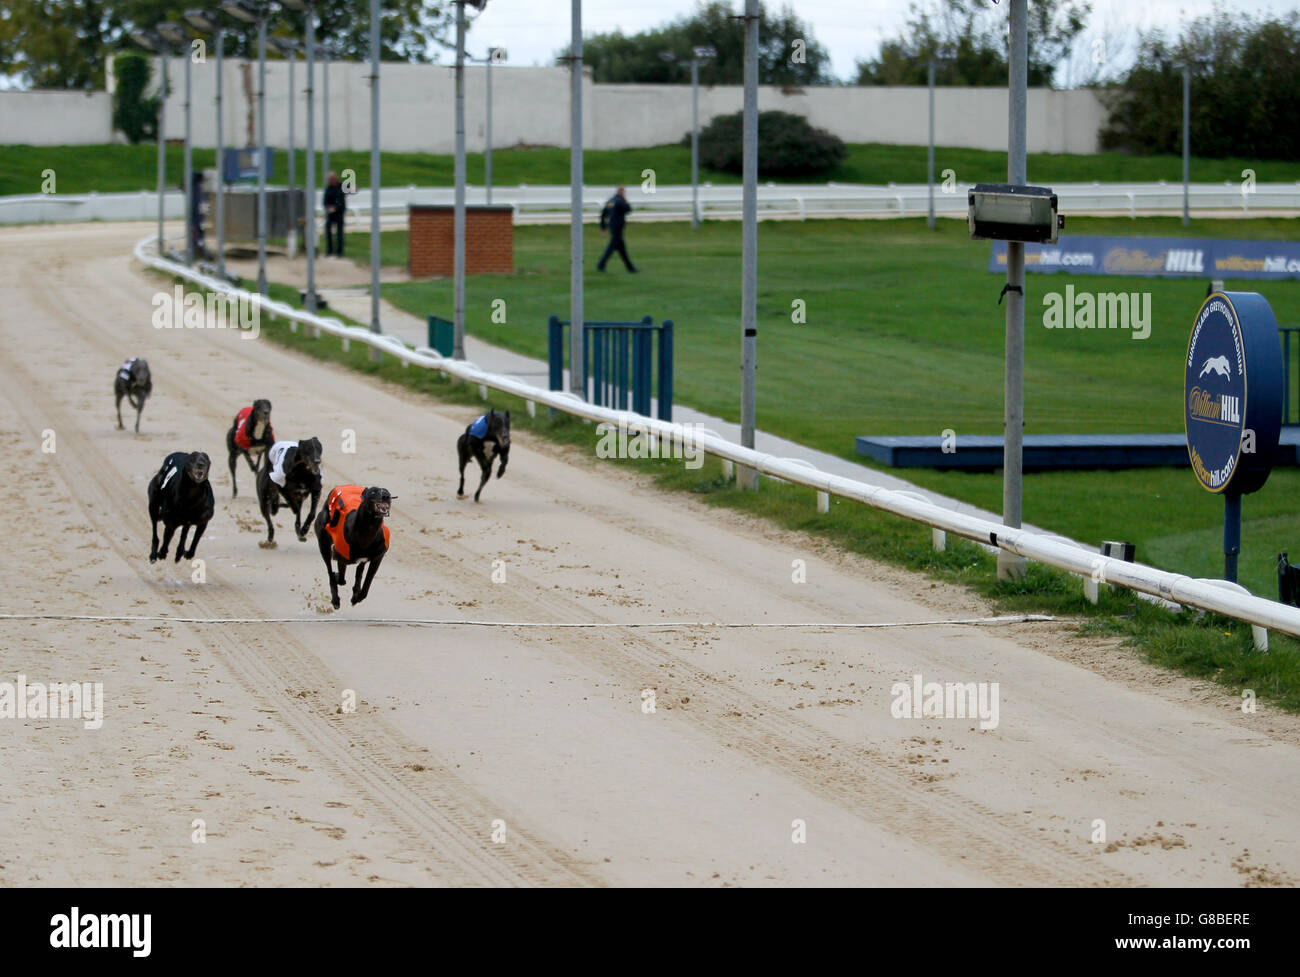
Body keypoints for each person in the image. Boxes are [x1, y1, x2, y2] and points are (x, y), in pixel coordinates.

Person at [597, 186, 637, 273]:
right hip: (618, 226)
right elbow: (628, 210)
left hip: (612, 225)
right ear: (622, 192)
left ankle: (630, 267)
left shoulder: (611, 200)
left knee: (621, 248)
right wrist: (626, 201)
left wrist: (603, 227)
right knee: (612, 247)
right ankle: (601, 264)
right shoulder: (621, 201)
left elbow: (603, 213)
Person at [323, 171, 346, 256]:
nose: (330, 181)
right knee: (328, 231)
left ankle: (340, 252)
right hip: (331, 214)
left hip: (339, 213)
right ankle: (329, 250)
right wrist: (328, 207)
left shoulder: (341, 186)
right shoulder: (328, 188)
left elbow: (341, 201)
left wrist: (336, 208)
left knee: (340, 233)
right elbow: (325, 201)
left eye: (331, 179)